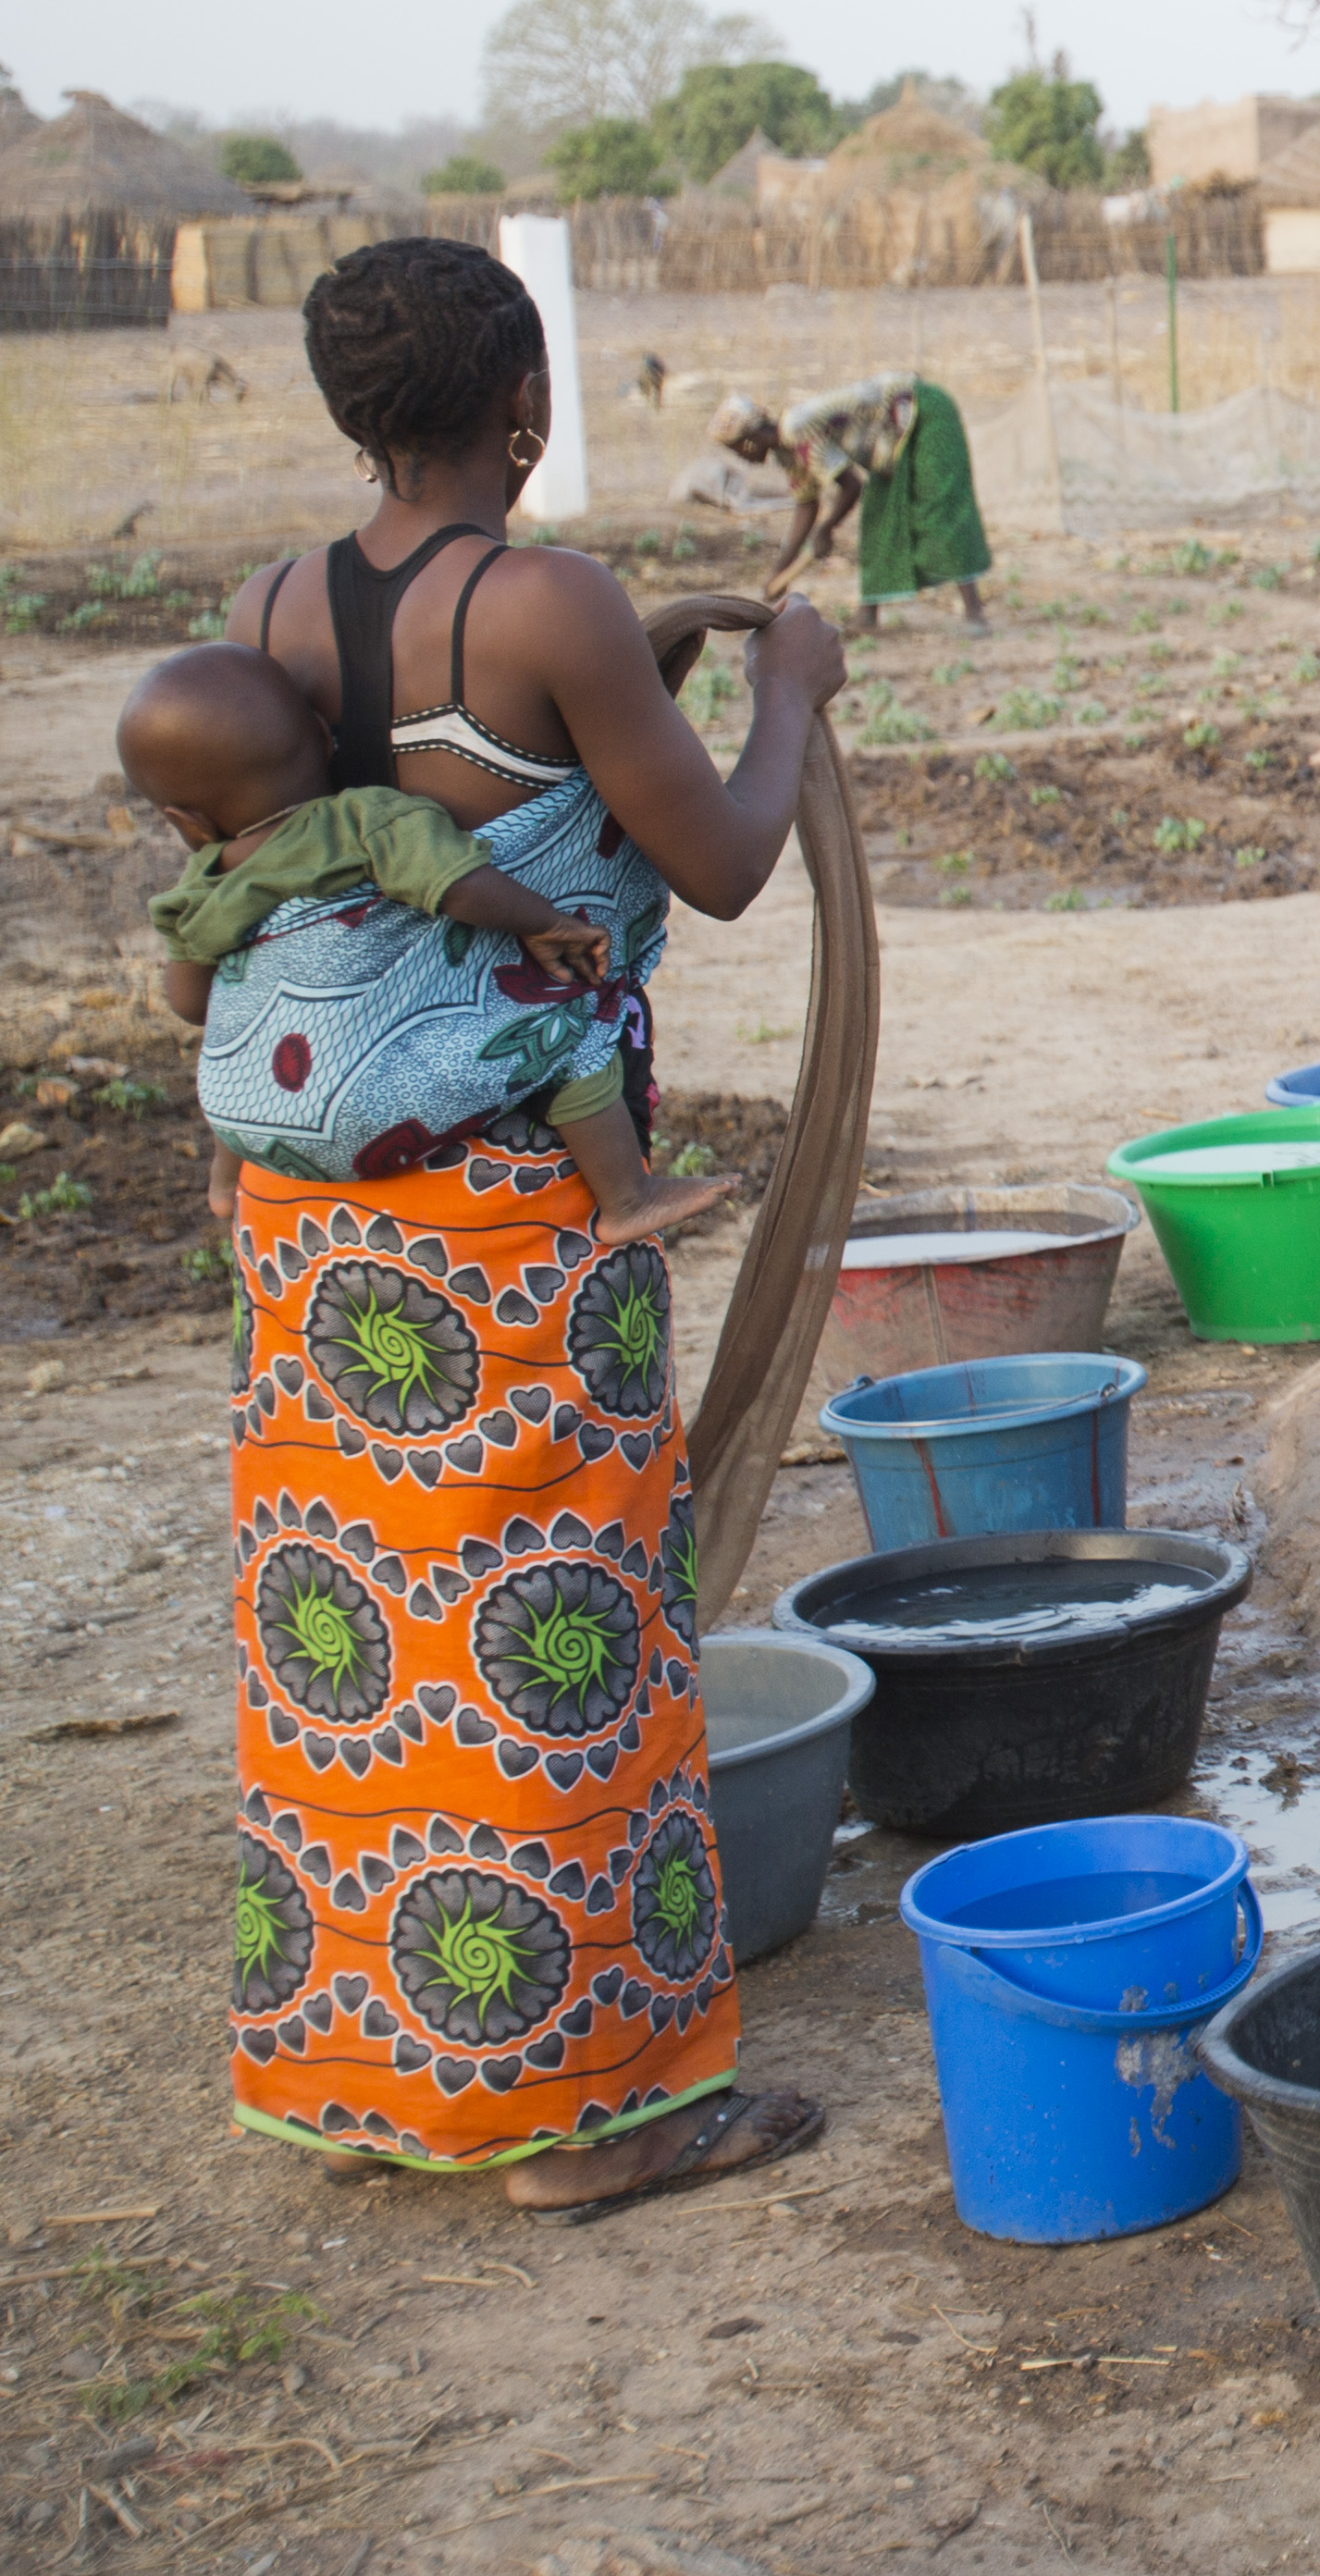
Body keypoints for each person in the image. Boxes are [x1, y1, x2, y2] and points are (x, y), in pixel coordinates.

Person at [210, 236, 849, 2216]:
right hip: (512, 1222)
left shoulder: (269, 611)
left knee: (356, 1639)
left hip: (314, 1240)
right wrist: (792, 690)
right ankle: (603, 2118)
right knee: (556, 1637)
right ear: (528, 409)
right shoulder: (546, 603)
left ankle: (382, 2066)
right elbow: (728, 867)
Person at [126, 644, 735, 1248]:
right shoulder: (364, 820)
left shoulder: (200, 885)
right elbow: (459, 885)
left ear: (187, 823)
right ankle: (626, 1197)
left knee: (243, 1030)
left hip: (251, 1122)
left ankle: (224, 1183)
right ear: (321, 734)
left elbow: (189, 1004)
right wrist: (544, 922)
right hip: (371, 1111)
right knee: (566, 1028)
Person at [718, 376, 990, 627]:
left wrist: (826, 529)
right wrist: (780, 571)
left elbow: (850, 487)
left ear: (749, 439)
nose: (740, 457)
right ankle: (868, 615)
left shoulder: (796, 429)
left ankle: (974, 614)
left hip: (923, 412)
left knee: (937, 510)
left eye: (736, 449)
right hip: (893, 442)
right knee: (878, 514)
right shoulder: (786, 451)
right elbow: (807, 505)